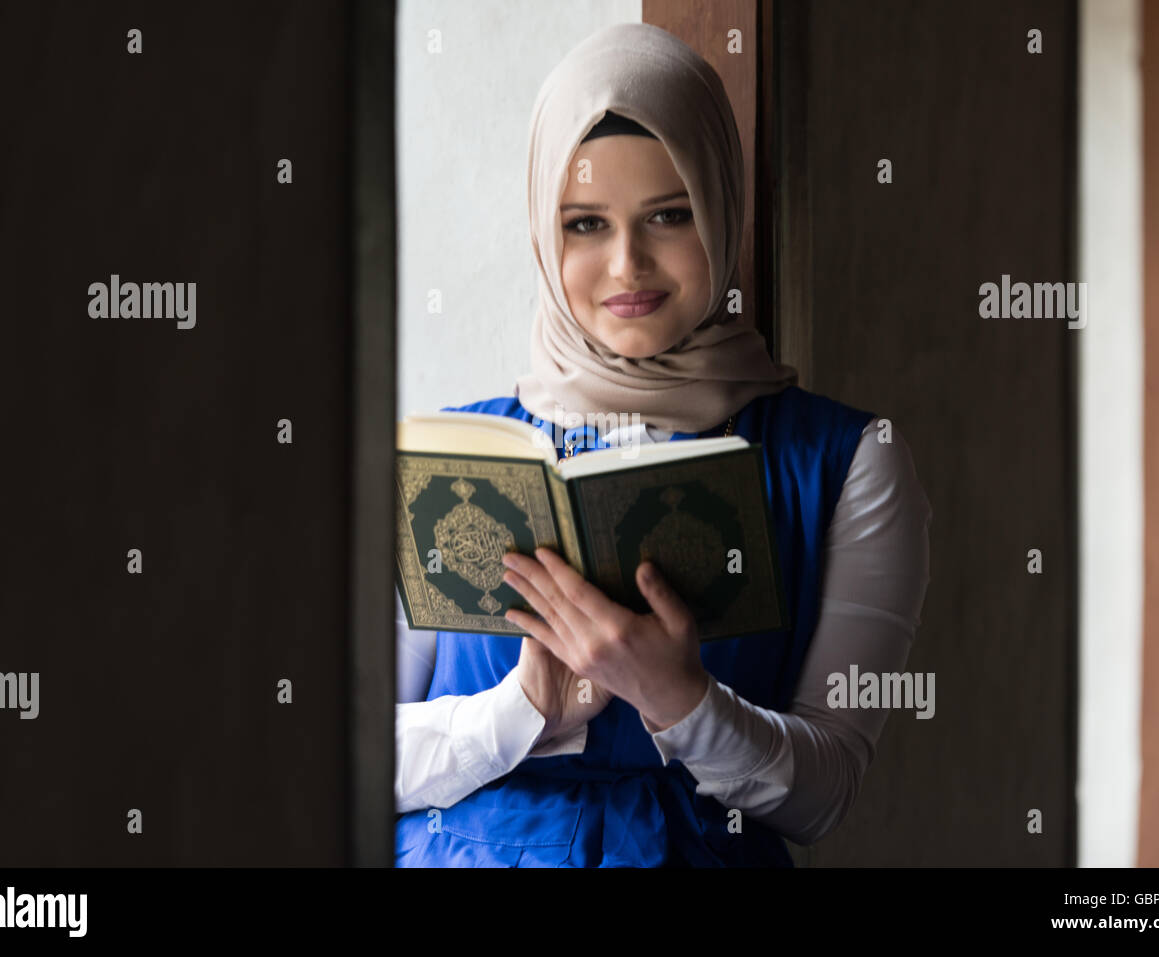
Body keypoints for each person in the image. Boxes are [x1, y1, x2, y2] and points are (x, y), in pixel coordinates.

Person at [394, 22, 932, 867]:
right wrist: (521, 709)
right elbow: (350, 759)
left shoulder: (847, 461)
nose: (627, 265)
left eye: (669, 215)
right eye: (584, 224)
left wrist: (682, 700)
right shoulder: (454, 455)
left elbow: (825, 792)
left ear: (722, 208)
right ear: (543, 227)